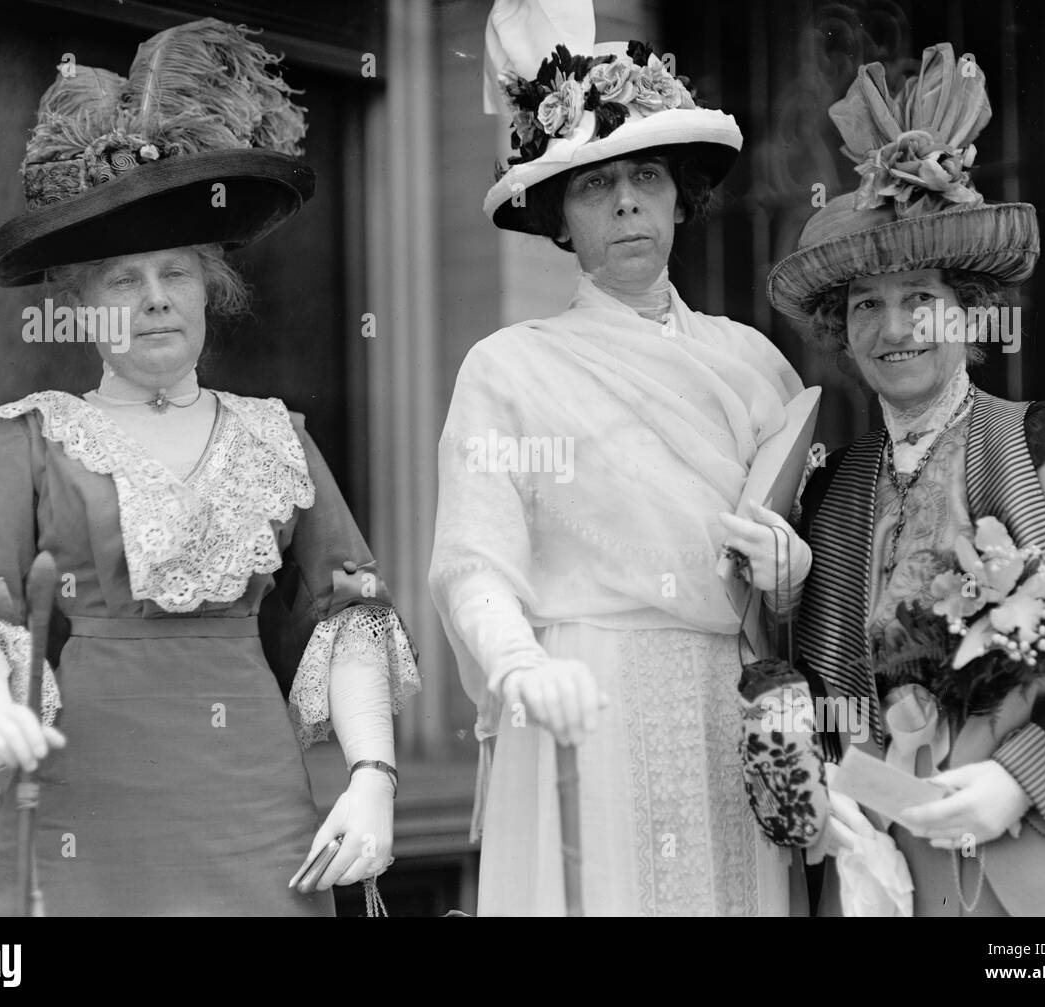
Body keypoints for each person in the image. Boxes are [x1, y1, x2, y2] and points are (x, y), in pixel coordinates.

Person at [0, 18, 419, 917]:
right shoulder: (27, 440)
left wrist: (373, 773)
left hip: (256, 811)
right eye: (121, 280)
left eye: (175, 272)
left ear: (210, 287)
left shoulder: (275, 438)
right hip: (88, 806)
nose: (154, 300)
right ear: (79, 307)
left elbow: (351, 611)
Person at [766, 42, 1045, 915]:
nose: (894, 326)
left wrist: (1023, 780)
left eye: (919, 295)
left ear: (967, 307)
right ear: (843, 328)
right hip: (891, 877)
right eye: (866, 304)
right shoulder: (832, 494)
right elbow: (819, 687)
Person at [429, 2, 809, 916]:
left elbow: (799, 570)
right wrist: (520, 667)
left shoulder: (755, 363)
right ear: (561, 214)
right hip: (581, 699)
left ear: (683, 195)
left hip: (733, 707)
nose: (628, 202)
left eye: (647, 176)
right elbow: (474, 562)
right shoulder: (509, 366)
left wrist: (790, 577)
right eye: (597, 186)